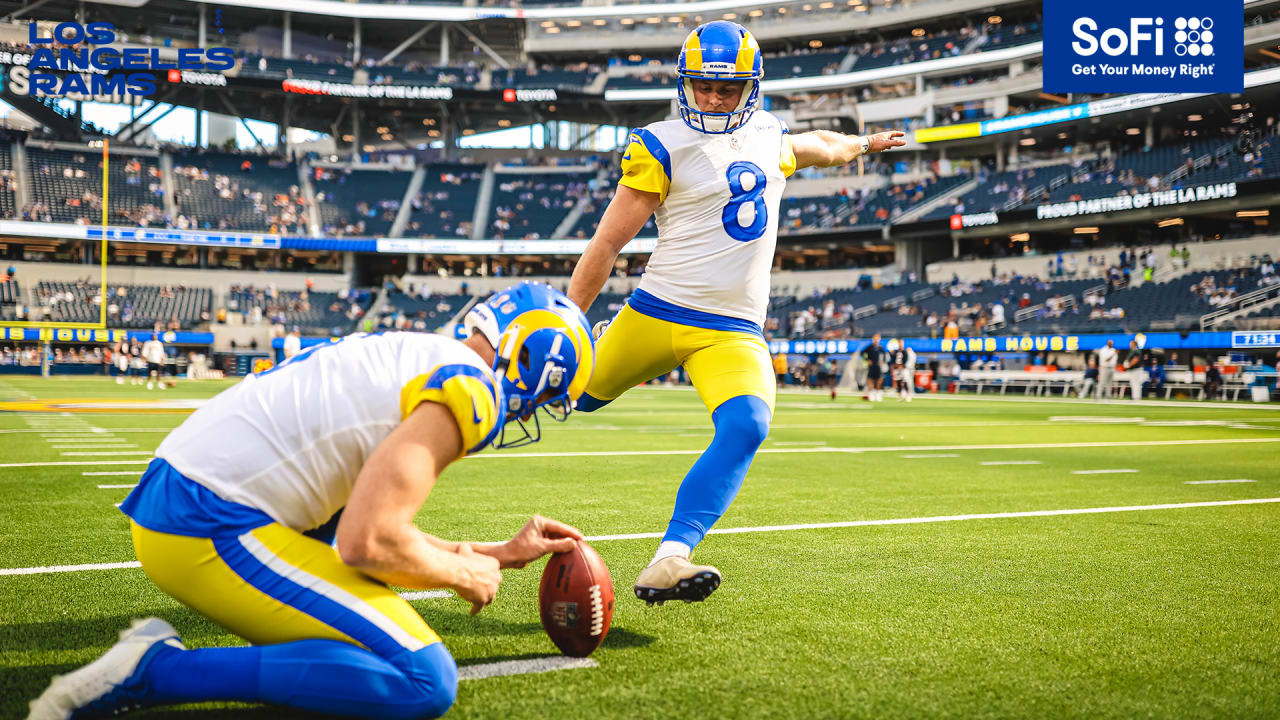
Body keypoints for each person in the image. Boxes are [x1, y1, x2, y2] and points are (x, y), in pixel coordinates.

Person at [27, 283, 596, 720]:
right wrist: (458, 574)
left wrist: (493, 554)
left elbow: (365, 526)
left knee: (361, 589)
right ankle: (158, 670)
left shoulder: (420, 351)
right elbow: (367, 542)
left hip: (192, 497)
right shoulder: (473, 389)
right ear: (532, 364)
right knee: (424, 679)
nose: (529, 413)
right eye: (544, 399)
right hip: (209, 520)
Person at [562, 20, 905, 605]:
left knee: (748, 424)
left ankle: (669, 559)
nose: (716, 98)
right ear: (685, 83)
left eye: (730, 88)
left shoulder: (769, 133)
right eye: (704, 86)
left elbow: (817, 146)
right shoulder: (661, 143)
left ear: (753, 87)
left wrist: (865, 144)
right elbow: (606, 244)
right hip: (655, 313)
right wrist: (565, 323)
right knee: (558, 399)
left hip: (730, 331)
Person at [862, 334, 885, 402]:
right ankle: (871, 394)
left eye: (877, 338)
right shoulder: (869, 347)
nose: (876, 340)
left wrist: (882, 362)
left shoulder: (881, 348)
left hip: (878, 366)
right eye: (875, 338)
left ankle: (878, 394)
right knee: (870, 379)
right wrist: (867, 360)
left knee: (879, 380)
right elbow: (862, 353)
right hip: (871, 366)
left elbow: (884, 356)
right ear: (873, 339)